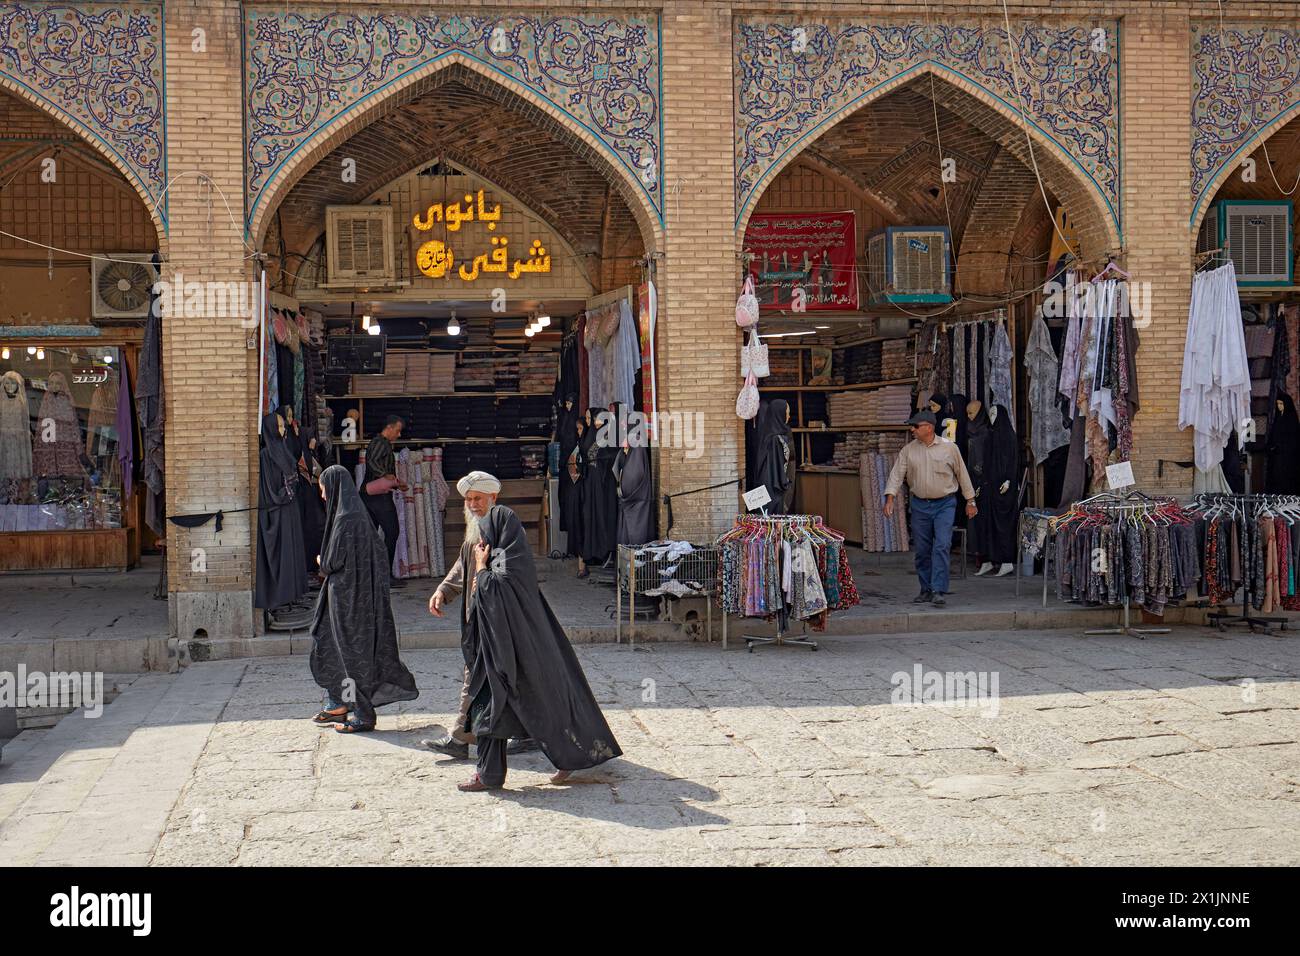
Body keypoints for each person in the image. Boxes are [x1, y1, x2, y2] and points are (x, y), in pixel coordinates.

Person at [457, 504, 622, 791]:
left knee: (542, 706)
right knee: (488, 709)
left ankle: (571, 756)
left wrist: (482, 571)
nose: (482, 544)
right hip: (496, 648)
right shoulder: (495, 554)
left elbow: (498, 593)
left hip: (518, 651)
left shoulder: (511, 560)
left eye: (486, 537)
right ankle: (489, 774)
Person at [422, 471, 535, 759]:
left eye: (478, 499)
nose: (472, 504)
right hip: (481, 619)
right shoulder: (475, 530)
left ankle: (461, 740)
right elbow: (463, 565)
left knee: (481, 677)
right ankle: (525, 733)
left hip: (501, 621)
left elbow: (507, 577)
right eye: (469, 499)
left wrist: (484, 574)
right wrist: (443, 590)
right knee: (503, 677)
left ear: (493, 498)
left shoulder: (504, 530)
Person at [309, 466, 419, 733]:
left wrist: (322, 561)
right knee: (334, 650)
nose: (323, 496)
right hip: (351, 599)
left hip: (349, 602)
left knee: (351, 655)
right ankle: (339, 703)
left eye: (324, 489)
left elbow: (333, 562)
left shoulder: (346, 521)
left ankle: (363, 714)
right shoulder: (355, 515)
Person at [883, 410, 978, 607]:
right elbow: (896, 475)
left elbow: (962, 474)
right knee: (922, 549)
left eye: (916, 426)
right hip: (920, 505)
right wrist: (890, 498)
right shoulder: (908, 450)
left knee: (942, 545)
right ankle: (925, 589)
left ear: (929, 427)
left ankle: (938, 590)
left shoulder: (949, 448)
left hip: (945, 503)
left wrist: (971, 501)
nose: (912, 429)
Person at [255, 410, 309, 611]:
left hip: (289, 510)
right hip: (277, 511)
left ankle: (292, 595)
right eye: (278, 425)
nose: (282, 429)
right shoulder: (266, 455)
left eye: (283, 425)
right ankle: (280, 597)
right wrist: (286, 495)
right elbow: (270, 488)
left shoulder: (282, 449)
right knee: (282, 554)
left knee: (292, 552)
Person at [360, 415, 408, 586]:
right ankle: (384, 575)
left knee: (371, 536)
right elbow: (372, 463)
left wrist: (395, 483)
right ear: (389, 427)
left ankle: (370, 575)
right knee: (392, 531)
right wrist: (385, 474)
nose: (399, 434)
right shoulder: (381, 443)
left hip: (371, 495)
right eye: (398, 430)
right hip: (378, 498)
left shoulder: (378, 442)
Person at [751, 398, 796, 513]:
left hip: (765, 488)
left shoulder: (767, 436)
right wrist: (786, 484)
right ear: (779, 414)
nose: (789, 416)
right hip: (773, 492)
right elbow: (778, 472)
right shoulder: (776, 440)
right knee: (772, 523)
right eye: (787, 413)